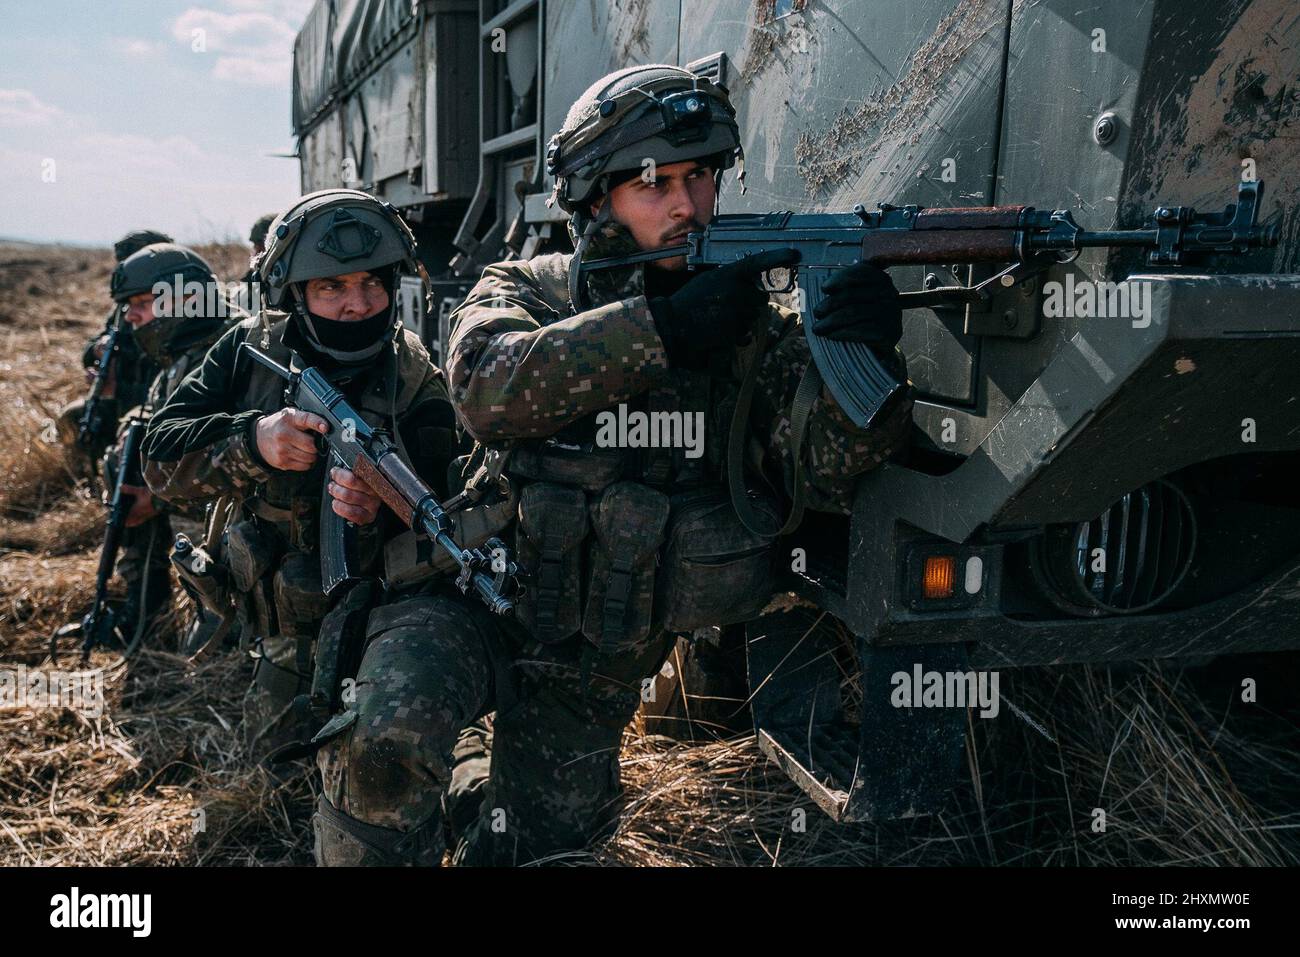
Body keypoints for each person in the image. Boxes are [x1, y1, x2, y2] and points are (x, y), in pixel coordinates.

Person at [308, 65, 913, 866]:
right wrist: (659, 332)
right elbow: (487, 387)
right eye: (655, 184)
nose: (687, 205)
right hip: (466, 599)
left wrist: (863, 361)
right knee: (382, 741)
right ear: (597, 198)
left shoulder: (747, 329)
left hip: (589, 661)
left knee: (533, 851)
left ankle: (472, 778)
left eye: (701, 177)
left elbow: (825, 470)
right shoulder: (529, 287)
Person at [141, 190, 460, 763]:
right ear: (296, 293)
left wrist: (381, 513)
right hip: (278, 628)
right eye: (330, 287)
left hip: (379, 622)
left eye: (372, 283)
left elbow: (445, 513)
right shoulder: (249, 349)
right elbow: (159, 460)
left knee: (380, 765)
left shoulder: (415, 379)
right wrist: (252, 442)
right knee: (273, 773)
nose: (357, 304)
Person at [101, 242, 241, 645]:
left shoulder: (233, 349)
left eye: (141, 304)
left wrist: (157, 498)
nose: (131, 317)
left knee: (207, 656)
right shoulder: (183, 349)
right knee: (123, 467)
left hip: (235, 511)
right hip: (192, 492)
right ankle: (145, 609)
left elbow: (237, 458)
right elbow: (158, 409)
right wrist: (134, 428)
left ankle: (221, 611)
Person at [55, 229, 173, 472]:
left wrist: (117, 390)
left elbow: (171, 395)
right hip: (118, 401)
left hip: (150, 412)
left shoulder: (177, 311)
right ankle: (86, 477)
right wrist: (98, 351)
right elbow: (90, 349)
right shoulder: (124, 308)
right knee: (73, 418)